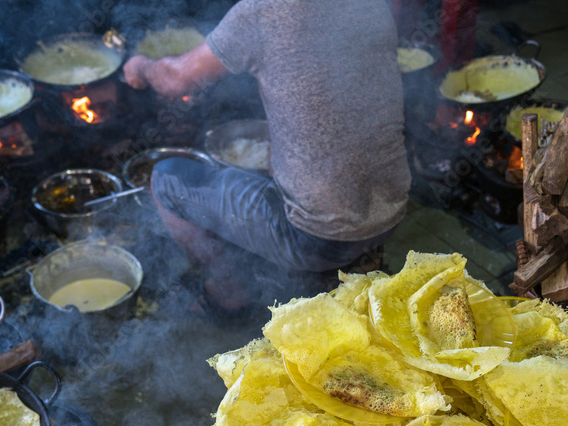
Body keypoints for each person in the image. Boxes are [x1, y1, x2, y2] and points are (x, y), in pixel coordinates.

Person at [123, 0, 410, 309]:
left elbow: (175, 80)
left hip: (316, 237)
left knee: (166, 178)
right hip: (391, 210)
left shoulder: (264, 10)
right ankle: (361, 263)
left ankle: (228, 291)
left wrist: (140, 67)